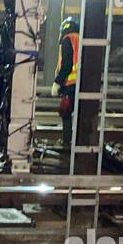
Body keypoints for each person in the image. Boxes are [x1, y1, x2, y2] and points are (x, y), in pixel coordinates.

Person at [50, 15, 79, 148]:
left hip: (71, 84)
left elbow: (67, 64)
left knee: (65, 112)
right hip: (82, 83)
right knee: (79, 114)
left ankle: (66, 142)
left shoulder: (67, 40)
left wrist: (57, 82)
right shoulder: (80, 39)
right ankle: (78, 142)